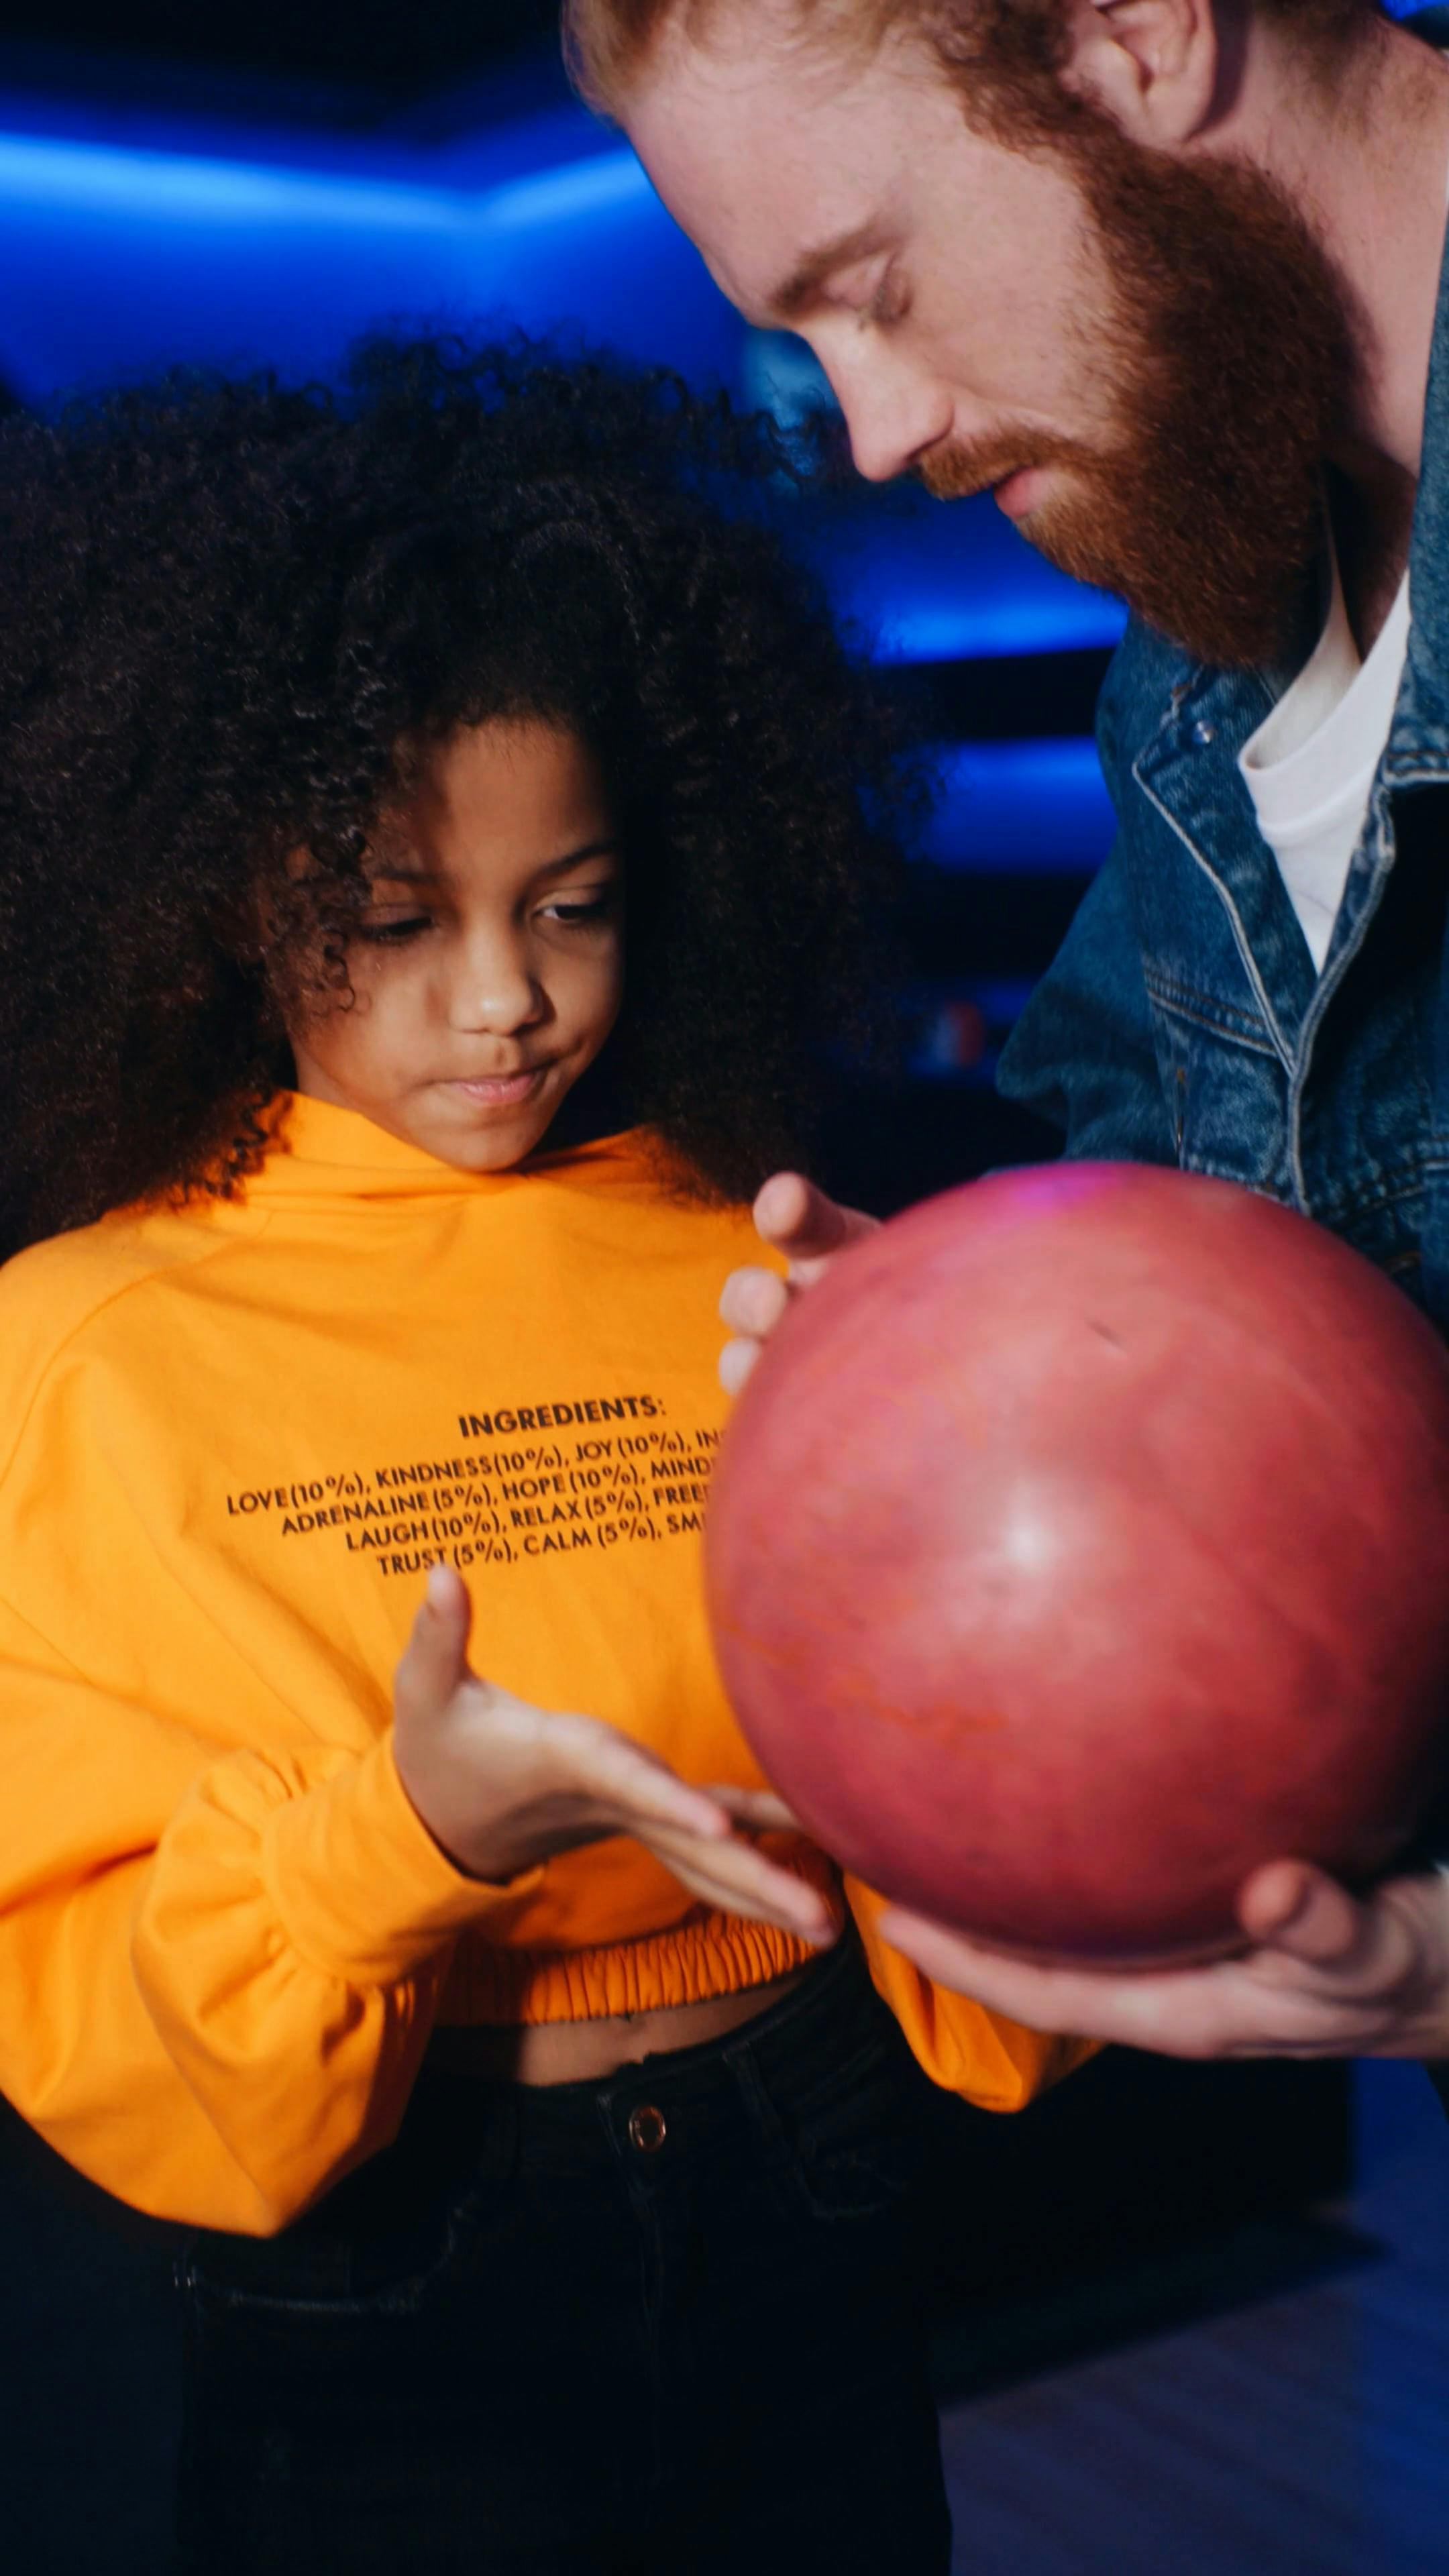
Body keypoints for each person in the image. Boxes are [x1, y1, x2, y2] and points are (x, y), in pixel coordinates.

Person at [0, 335, 1090, 2572]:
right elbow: (89, 2010)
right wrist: (406, 1830)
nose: (502, 1002)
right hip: (384, 2263)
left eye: (569, 904)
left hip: (810, 2177)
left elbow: (976, 1810)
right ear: (215, 895)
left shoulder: (747, 1243)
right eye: (397, 923)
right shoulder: (75, 1348)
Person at [564, 0, 1449, 2069]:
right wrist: (982, 1352)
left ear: (1136, 28)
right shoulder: (1199, 676)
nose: (870, 434)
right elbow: (1168, 1235)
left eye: (869, 289)